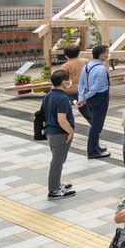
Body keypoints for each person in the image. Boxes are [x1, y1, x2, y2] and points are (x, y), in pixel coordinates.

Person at [41, 69, 77, 199]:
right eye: (68, 80)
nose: (69, 82)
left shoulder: (48, 95)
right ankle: (54, 190)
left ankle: (56, 184)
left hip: (51, 132)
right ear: (63, 82)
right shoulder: (62, 98)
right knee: (57, 163)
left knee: (58, 160)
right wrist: (71, 132)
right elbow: (61, 119)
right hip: (60, 133)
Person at [77, 44, 112, 159]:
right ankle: (92, 151)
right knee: (96, 125)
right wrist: (86, 96)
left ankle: (96, 146)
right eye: (106, 52)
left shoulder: (87, 66)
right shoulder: (101, 69)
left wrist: (82, 97)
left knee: (95, 123)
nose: (108, 55)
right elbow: (96, 87)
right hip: (100, 97)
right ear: (101, 55)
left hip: (91, 97)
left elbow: (81, 83)